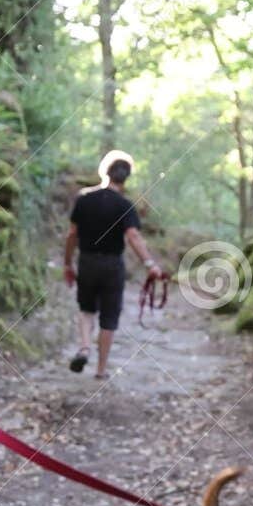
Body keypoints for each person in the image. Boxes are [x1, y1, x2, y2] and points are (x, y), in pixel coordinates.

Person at [63, 151, 162, 379]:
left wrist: (68, 263)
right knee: (109, 317)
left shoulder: (84, 199)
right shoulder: (125, 205)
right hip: (112, 265)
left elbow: (71, 235)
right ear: (126, 177)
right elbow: (133, 237)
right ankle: (101, 370)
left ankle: (85, 347)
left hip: (87, 261)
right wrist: (150, 264)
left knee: (86, 309)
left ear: (104, 171)